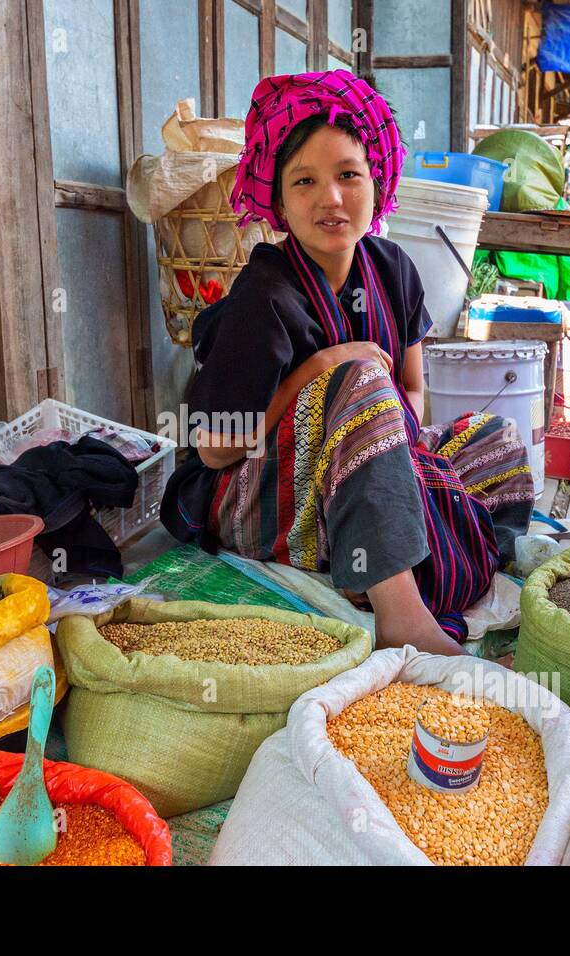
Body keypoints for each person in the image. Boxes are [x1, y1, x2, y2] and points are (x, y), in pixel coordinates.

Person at [160, 70, 533, 655]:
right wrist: (326, 367)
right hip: (258, 494)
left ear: (376, 182)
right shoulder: (262, 294)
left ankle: (397, 548)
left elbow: (411, 393)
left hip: (359, 471)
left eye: (348, 175)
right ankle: (400, 613)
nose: (330, 199)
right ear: (280, 200)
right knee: (357, 378)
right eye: (304, 181)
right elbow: (214, 449)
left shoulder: (394, 269)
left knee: (497, 438)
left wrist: (382, 450)